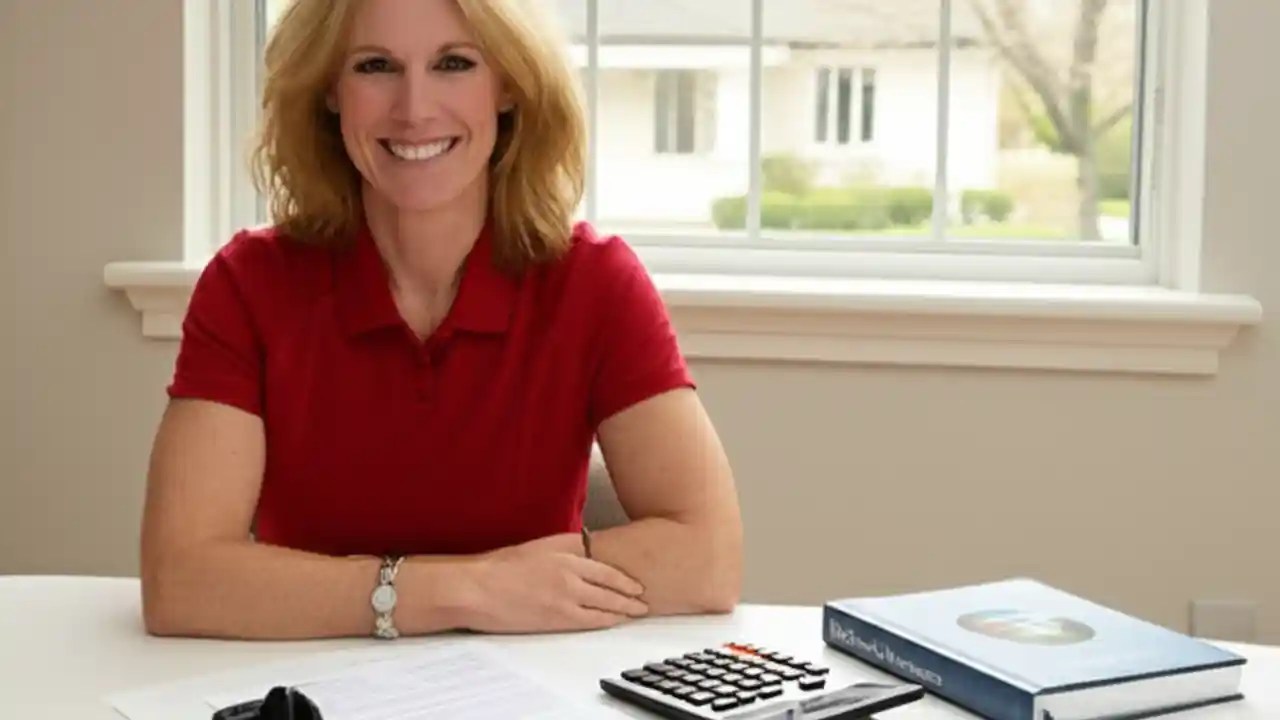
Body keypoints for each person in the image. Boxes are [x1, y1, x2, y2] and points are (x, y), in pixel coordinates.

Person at [138, 0, 743, 641]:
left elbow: (708, 558)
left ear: (508, 86)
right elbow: (181, 582)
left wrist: (404, 592)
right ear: (329, 93)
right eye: (375, 66)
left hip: (535, 682)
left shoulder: (595, 282)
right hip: (303, 681)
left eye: (454, 64)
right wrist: (467, 592)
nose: (414, 109)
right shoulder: (247, 285)